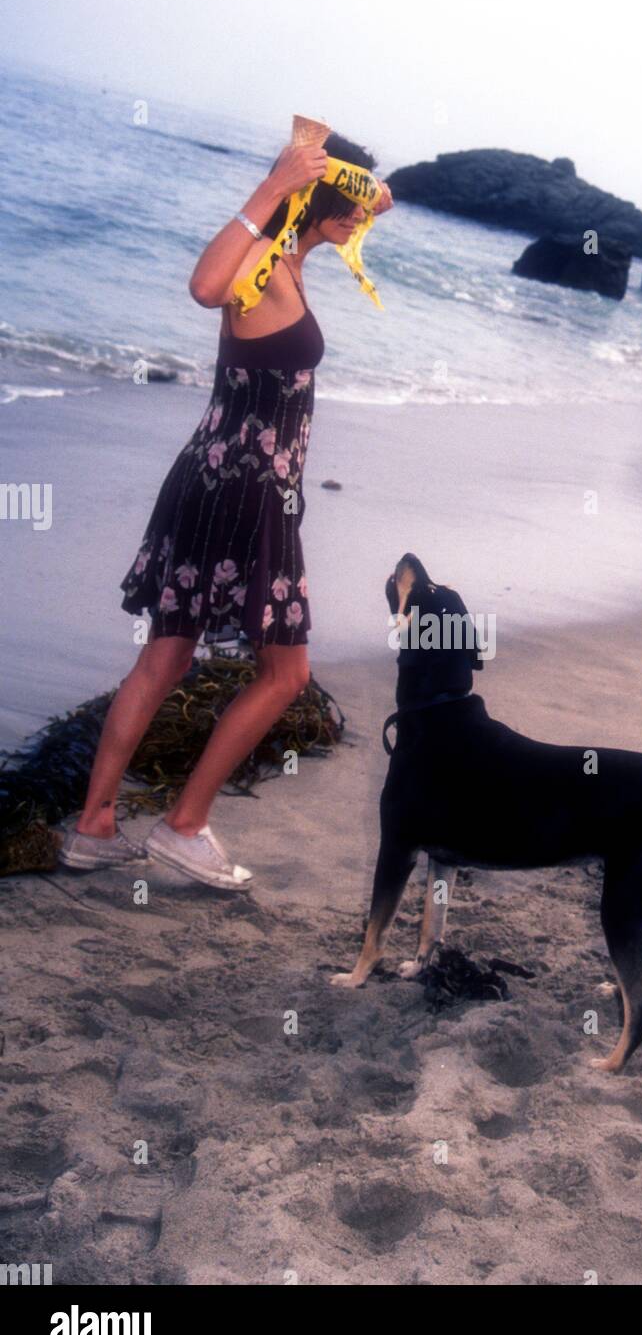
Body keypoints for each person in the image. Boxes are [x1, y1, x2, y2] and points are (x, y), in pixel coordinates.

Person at [60, 134, 393, 888]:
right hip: (249, 492)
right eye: (347, 205)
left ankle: (94, 827)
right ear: (311, 199)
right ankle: (183, 827)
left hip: (210, 481)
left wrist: (337, 170)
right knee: (285, 674)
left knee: (168, 656)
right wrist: (275, 182)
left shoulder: (292, 262)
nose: (360, 218)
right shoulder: (262, 266)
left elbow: (380, 199)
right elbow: (204, 286)